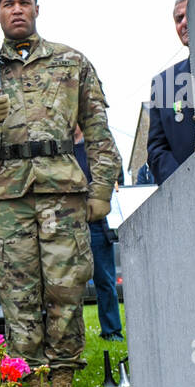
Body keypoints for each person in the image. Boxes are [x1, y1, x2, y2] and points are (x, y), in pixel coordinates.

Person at [0, 0, 119, 387]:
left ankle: (62, 378)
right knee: (16, 288)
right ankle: (27, 377)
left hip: (61, 192)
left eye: (25, 2)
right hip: (8, 198)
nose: (17, 9)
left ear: (36, 8)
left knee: (66, 286)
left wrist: (102, 189)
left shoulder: (71, 62)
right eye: (9, 4)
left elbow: (98, 129)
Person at [75, 128, 124, 340]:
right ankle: (74, 336)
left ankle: (111, 330)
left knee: (105, 280)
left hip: (96, 223)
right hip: (69, 222)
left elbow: (116, 172)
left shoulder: (96, 143)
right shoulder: (63, 145)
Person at [146, 0, 195, 184]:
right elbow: (157, 150)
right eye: (178, 19)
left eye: (189, 14)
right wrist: (185, 180)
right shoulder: (164, 84)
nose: (184, 23)